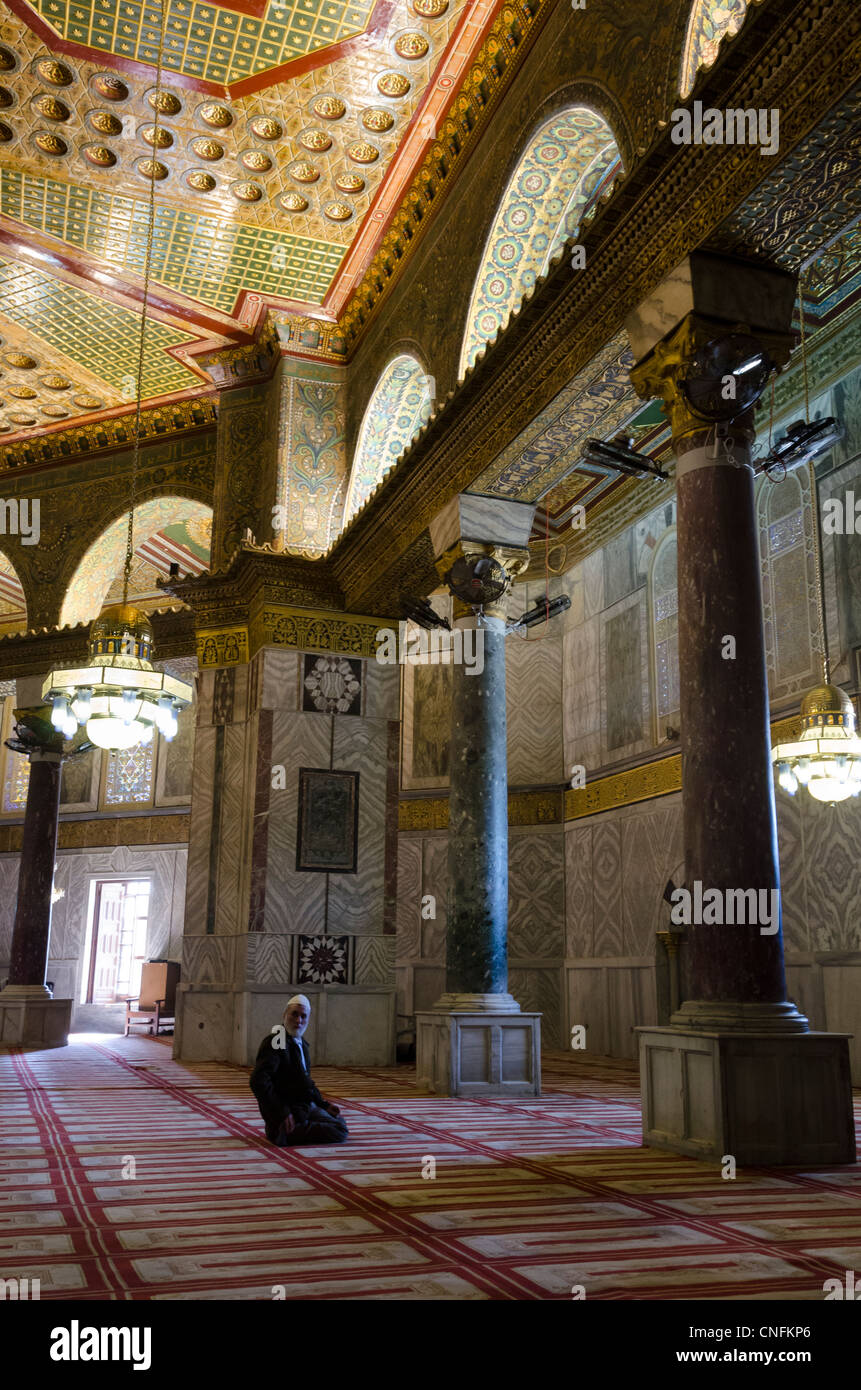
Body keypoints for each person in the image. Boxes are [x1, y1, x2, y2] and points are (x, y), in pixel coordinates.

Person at [250, 994, 348, 1146]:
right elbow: (259, 1082)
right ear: (285, 1015)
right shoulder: (276, 1042)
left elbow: (305, 1082)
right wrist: (282, 1112)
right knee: (339, 1129)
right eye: (294, 1014)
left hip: (303, 1106)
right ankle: (282, 1131)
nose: (298, 1021)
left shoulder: (301, 1043)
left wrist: (323, 1104)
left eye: (303, 1016)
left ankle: (296, 1127)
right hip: (287, 1111)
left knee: (338, 1122)